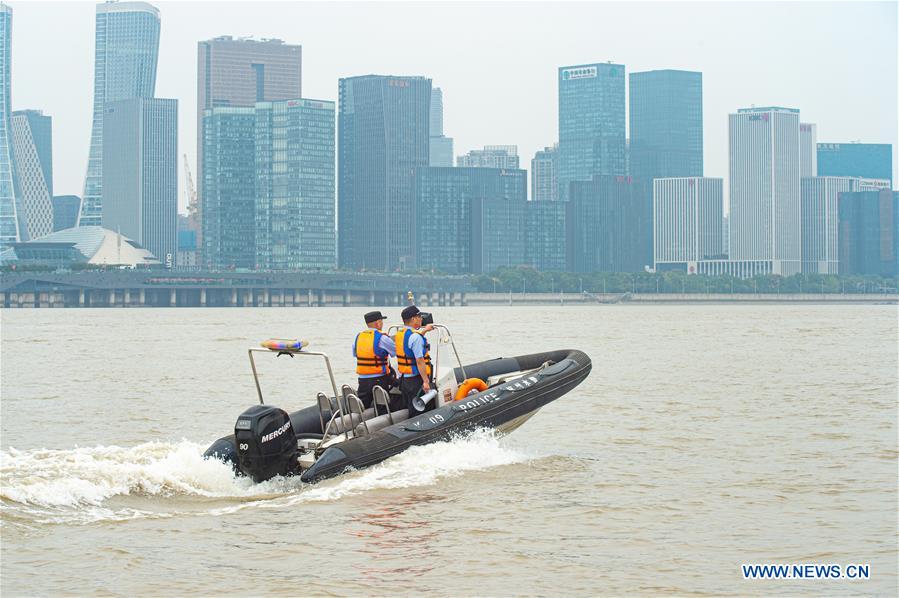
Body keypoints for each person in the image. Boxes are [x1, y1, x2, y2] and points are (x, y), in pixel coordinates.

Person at [394, 305, 436, 413]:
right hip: (416, 380)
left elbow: (410, 343)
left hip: (405, 380)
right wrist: (426, 382)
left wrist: (424, 331)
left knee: (410, 407)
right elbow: (419, 361)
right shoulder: (415, 337)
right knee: (419, 411)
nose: (422, 319)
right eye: (419, 317)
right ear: (413, 319)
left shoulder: (400, 334)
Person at [352, 311, 396, 409]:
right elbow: (396, 352)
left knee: (363, 406)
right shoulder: (382, 338)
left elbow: (355, 354)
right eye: (381, 321)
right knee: (382, 406)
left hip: (362, 380)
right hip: (379, 379)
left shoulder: (358, 337)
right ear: (378, 323)